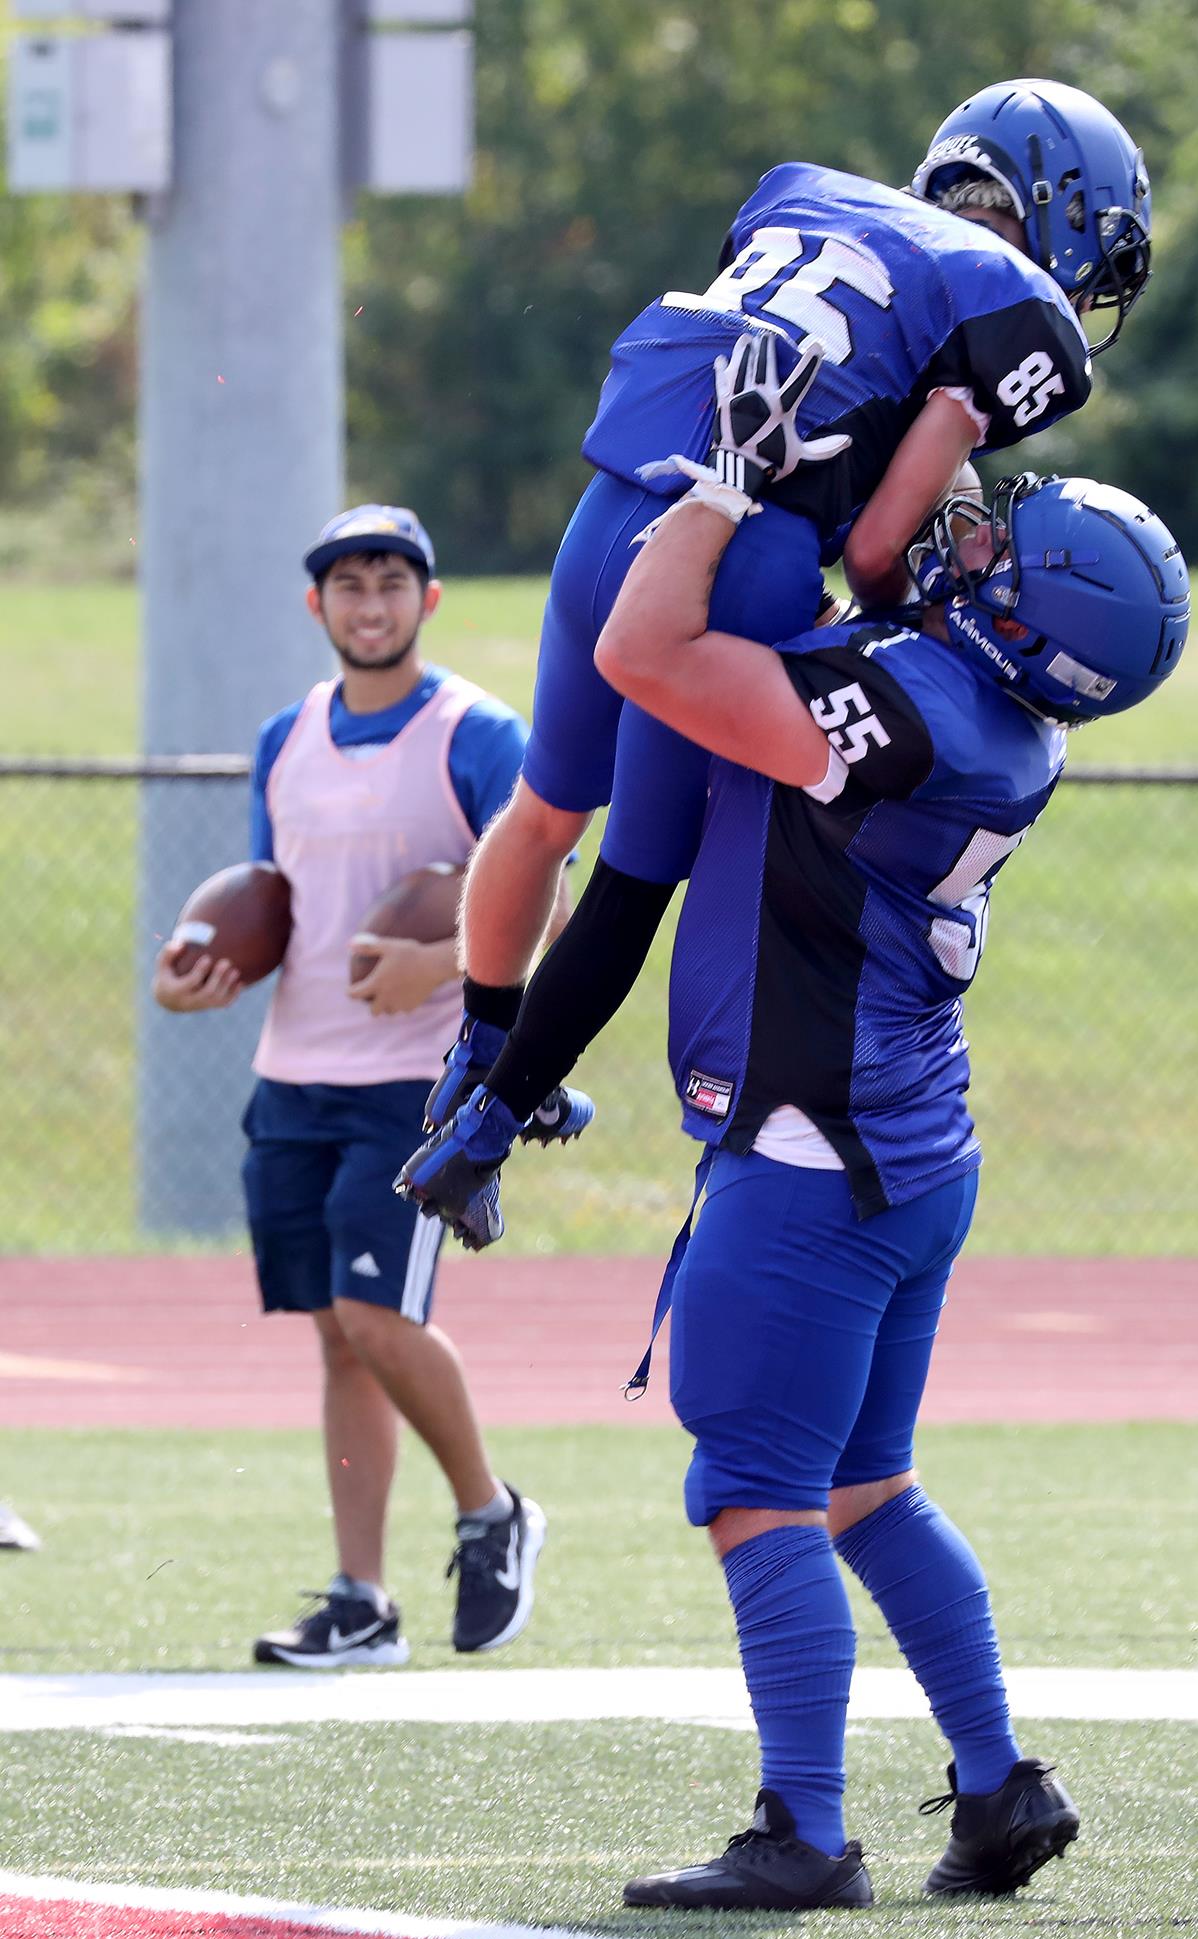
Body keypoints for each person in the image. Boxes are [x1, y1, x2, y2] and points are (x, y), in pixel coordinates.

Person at [444, 335, 1188, 1906]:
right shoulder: (1004, 721)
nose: (969, 538)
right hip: (909, 1147)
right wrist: (940, 425)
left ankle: (805, 1830)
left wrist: (720, 480)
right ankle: (998, 1791)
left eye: (997, 546)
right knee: (869, 1489)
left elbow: (648, 652)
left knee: (753, 1491)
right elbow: (883, 579)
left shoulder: (906, 711)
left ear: (1025, 616)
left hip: (813, 1150)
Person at [401, 80, 1154, 1237]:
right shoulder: (1006, 309)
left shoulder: (807, 195)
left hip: (610, 512)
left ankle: (478, 1048)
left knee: (546, 813)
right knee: (635, 876)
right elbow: (867, 550)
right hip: (734, 554)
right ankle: (485, 1131)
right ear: (1052, 212)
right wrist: (916, 617)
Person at [152, 505, 581, 1668]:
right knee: (336, 1337)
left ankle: (494, 1510)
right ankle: (361, 1598)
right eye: (349, 584)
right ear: (318, 606)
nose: (370, 601)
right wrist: (208, 971)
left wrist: (439, 964)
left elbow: (551, 890)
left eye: (392, 580)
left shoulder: (474, 731)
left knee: (378, 1316)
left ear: (427, 599)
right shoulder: (282, 735)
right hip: (293, 1073)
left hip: (416, 1082)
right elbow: (276, 902)